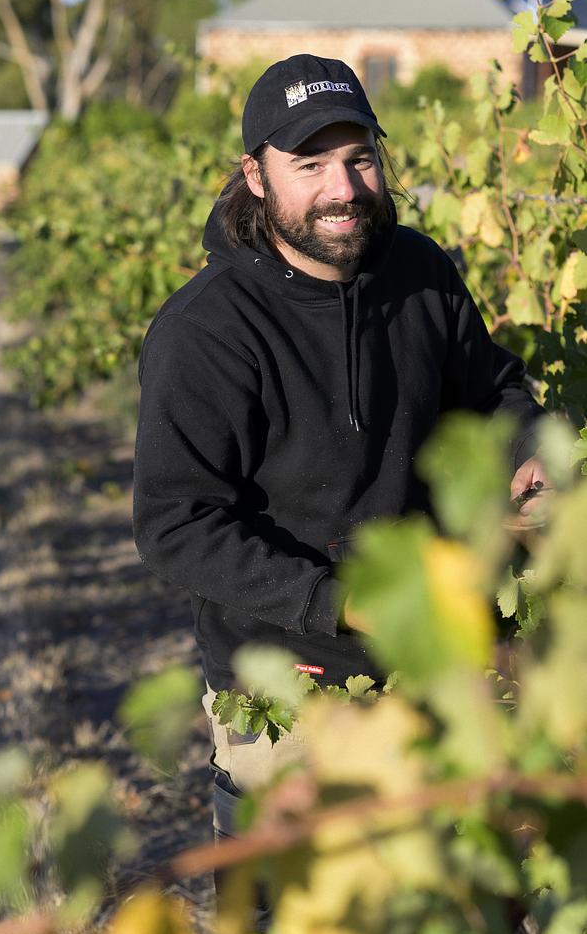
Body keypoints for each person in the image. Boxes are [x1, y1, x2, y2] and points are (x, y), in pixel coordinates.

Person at [132, 54, 548, 835]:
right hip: (290, 682)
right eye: (310, 163)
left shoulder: (421, 271)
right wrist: (336, 602)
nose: (344, 189)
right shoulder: (206, 331)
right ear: (255, 175)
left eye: (359, 159)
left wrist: (528, 451)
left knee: (469, 923)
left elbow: (491, 395)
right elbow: (176, 526)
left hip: (443, 658)